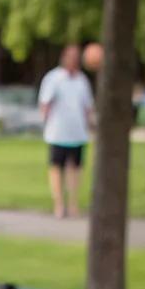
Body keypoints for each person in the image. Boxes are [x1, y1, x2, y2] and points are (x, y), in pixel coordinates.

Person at [38, 44, 96, 218]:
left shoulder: (82, 80)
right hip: (58, 132)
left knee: (75, 169)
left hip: (77, 132)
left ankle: (73, 204)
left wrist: (90, 125)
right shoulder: (54, 78)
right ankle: (59, 204)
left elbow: (87, 107)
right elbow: (45, 103)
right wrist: (45, 122)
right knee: (56, 167)